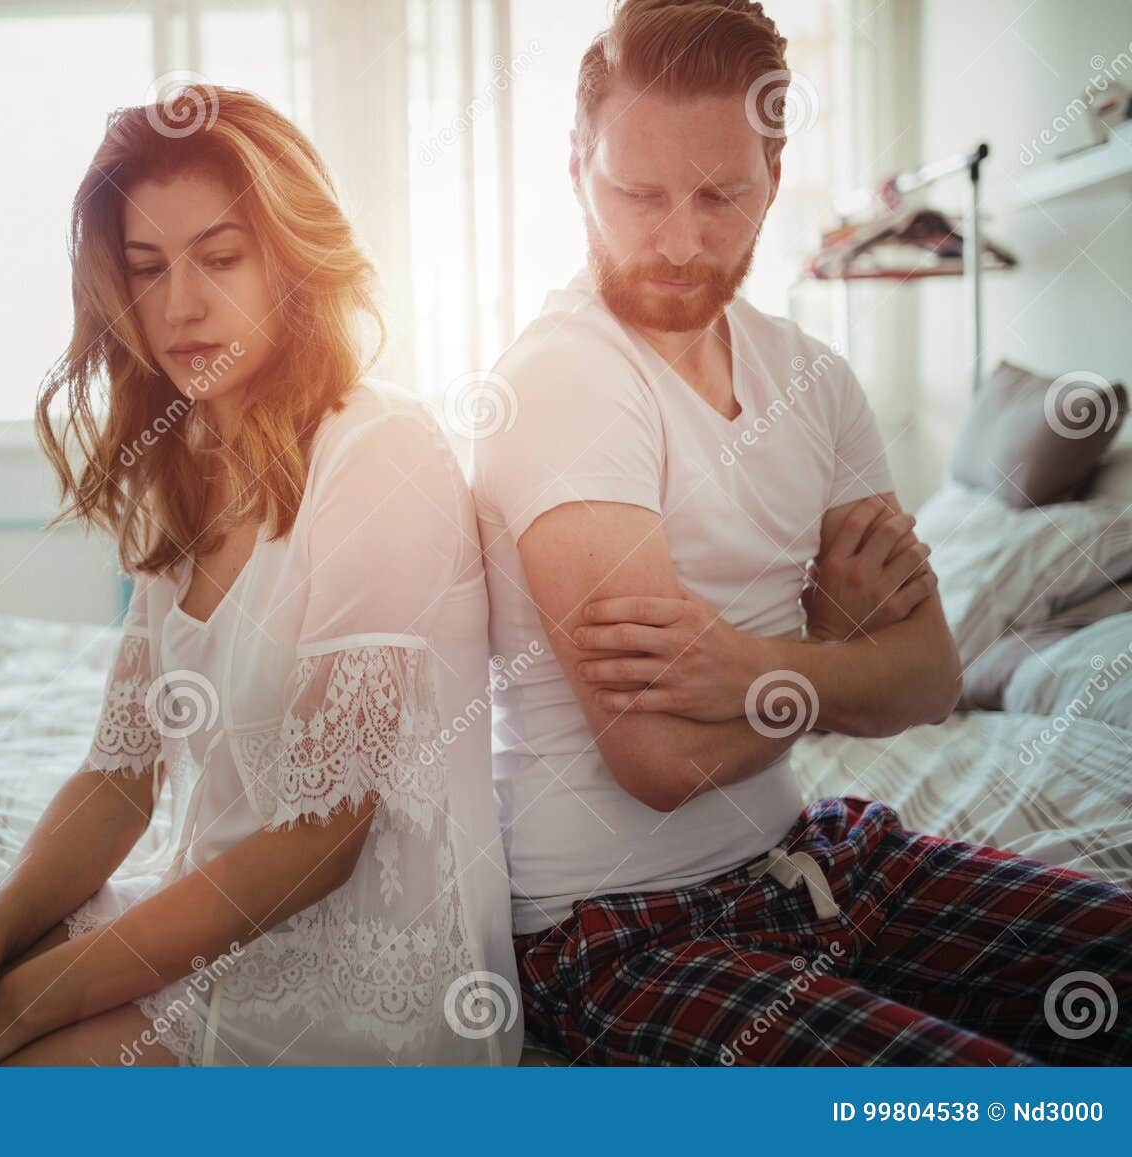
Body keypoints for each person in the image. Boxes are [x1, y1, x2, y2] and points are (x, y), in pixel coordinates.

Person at [0, 85, 521, 1067]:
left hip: (357, 967)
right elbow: (118, 778)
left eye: (221, 259)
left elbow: (321, 837)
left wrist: (25, 1002)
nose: (180, 305)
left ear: (293, 260)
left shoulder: (382, 447)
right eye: (147, 269)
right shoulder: (186, 454)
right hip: (195, 911)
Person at [465, 0, 1132, 1065]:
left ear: (774, 177)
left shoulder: (812, 381)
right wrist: (839, 663)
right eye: (637, 192)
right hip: (623, 931)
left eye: (720, 193)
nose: (680, 240)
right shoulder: (562, 383)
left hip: (813, 858)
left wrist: (759, 666)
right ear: (574, 164)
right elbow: (663, 759)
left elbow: (931, 676)